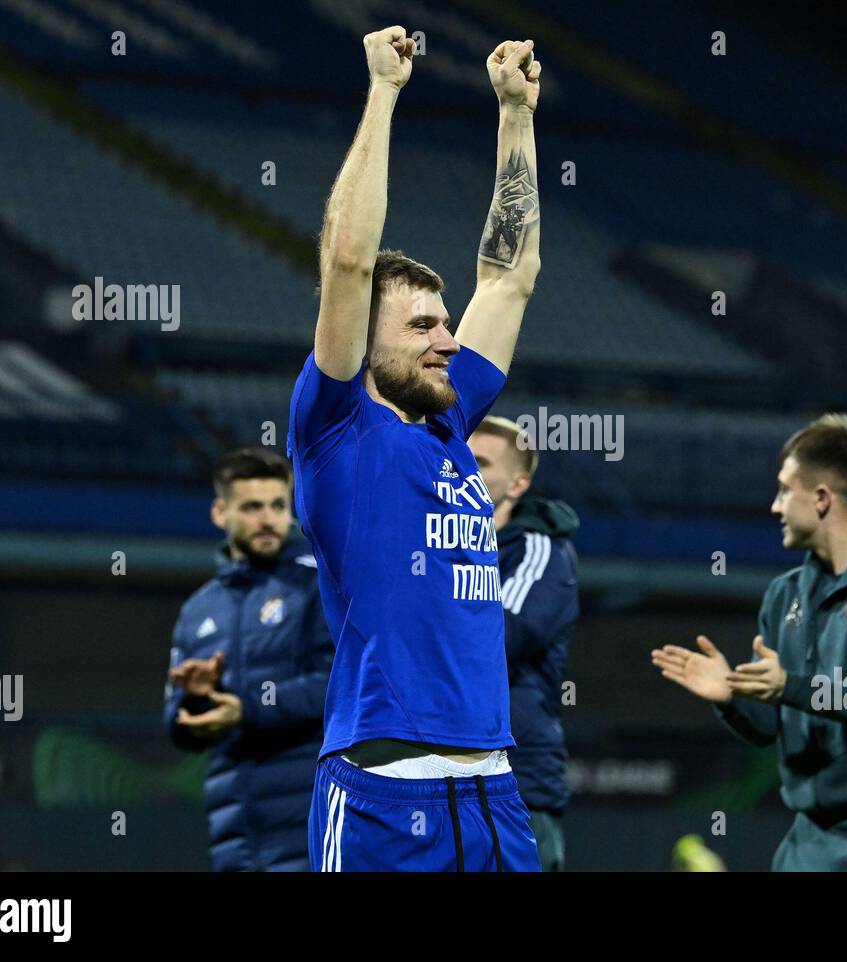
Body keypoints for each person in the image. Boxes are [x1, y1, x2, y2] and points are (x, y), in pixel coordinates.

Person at [290, 26, 543, 871]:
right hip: (384, 793)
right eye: (424, 325)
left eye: (445, 321)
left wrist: (515, 114)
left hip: (494, 789)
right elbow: (349, 262)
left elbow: (508, 276)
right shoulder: (335, 433)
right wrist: (385, 91)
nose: (446, 339)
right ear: (364, 346)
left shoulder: (447, 416)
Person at [651, 414, 847, 871]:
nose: (774, 507)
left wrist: (790, 686)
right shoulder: (785, 594)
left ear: (821, 499)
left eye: (783, 490)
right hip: (808, 843)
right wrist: (733, 698)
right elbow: (771, 723)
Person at [163, 448, 334, 871]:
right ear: (220, 513)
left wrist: (245, 708)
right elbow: (176, 724)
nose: (268, 519)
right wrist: (199, 700)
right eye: (252, 507)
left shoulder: (319, 583)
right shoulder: (198, 609)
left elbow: (339, 685)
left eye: (278, 505)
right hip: (234, 830)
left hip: (310, 817)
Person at [468, 416, 579, 871]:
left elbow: (500, 637)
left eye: (479, 462)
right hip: (440, 777)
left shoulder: (539, 550)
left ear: (519, 484)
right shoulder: (431, 546)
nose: (462, 469)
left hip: (515, 782)